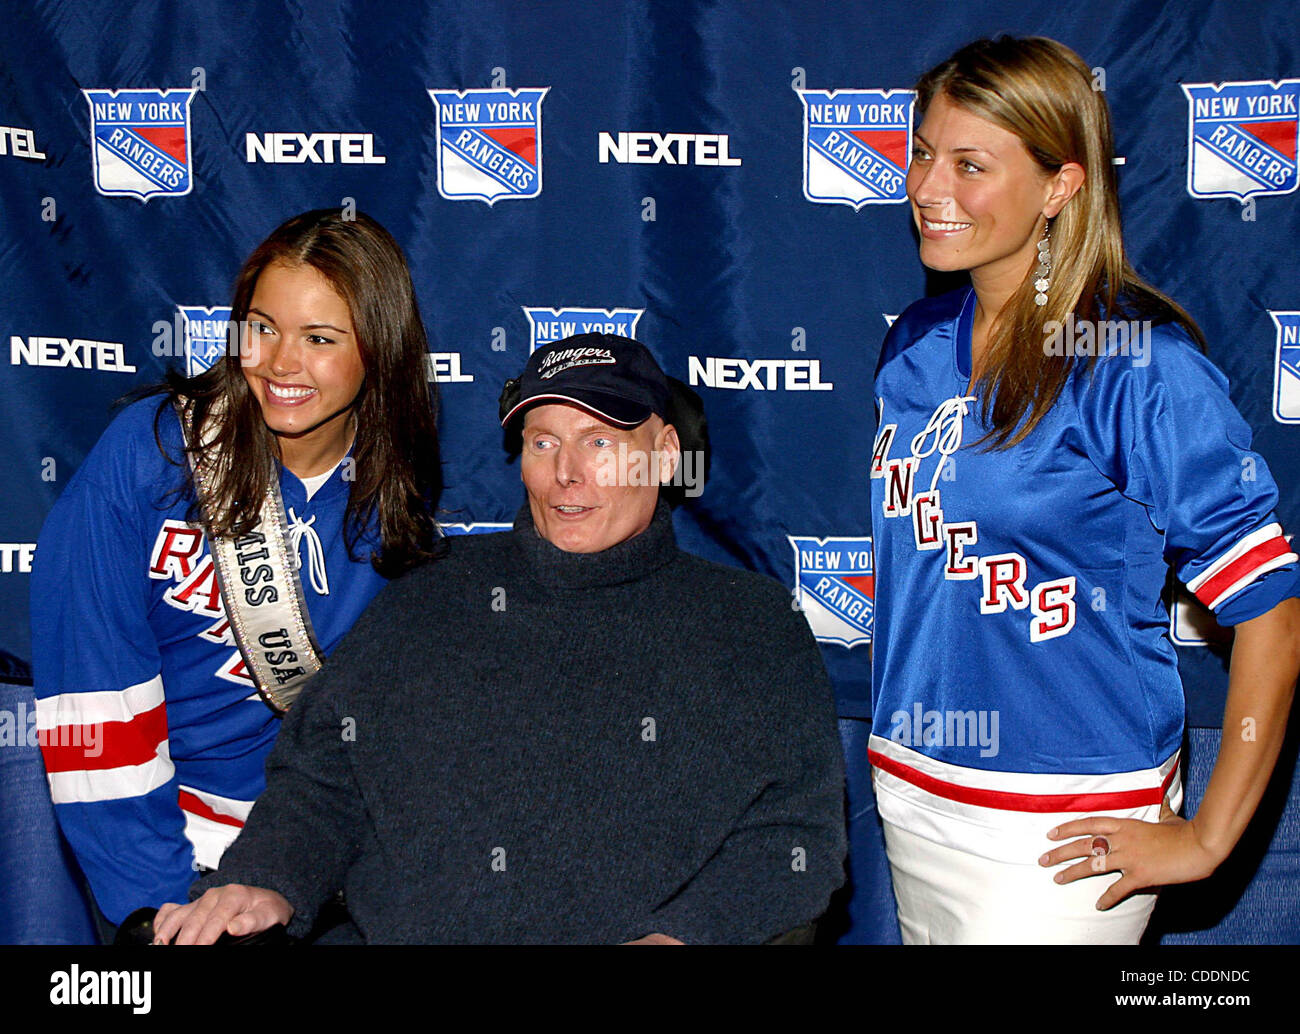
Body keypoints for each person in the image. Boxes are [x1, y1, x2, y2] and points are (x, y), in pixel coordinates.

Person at [152, 332, 846, 945]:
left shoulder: (749, 625)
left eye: (600, 442)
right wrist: (267, 880)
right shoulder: (430, 599)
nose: (566, 474)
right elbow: (324, 781)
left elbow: (797, 840)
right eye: (545, 442)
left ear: (664, 454)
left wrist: (685, 937)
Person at [867, 36, 1300, 943]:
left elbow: (1272, 614)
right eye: (921, 152)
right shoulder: (915, 335)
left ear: (1060, 186)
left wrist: (1209, 839)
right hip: (912, 793)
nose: (926, 187)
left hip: (1062, 827)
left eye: (970, 164)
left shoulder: (1135, 366)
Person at [31, 208, 441, 935]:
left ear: (378, 352)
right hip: (168, 864)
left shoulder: (391, 503)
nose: (281, 363)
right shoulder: (154, 454)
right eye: (262, 327)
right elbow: (91, 695)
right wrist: (148, 900)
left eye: (320, 339)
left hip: (311, 869)